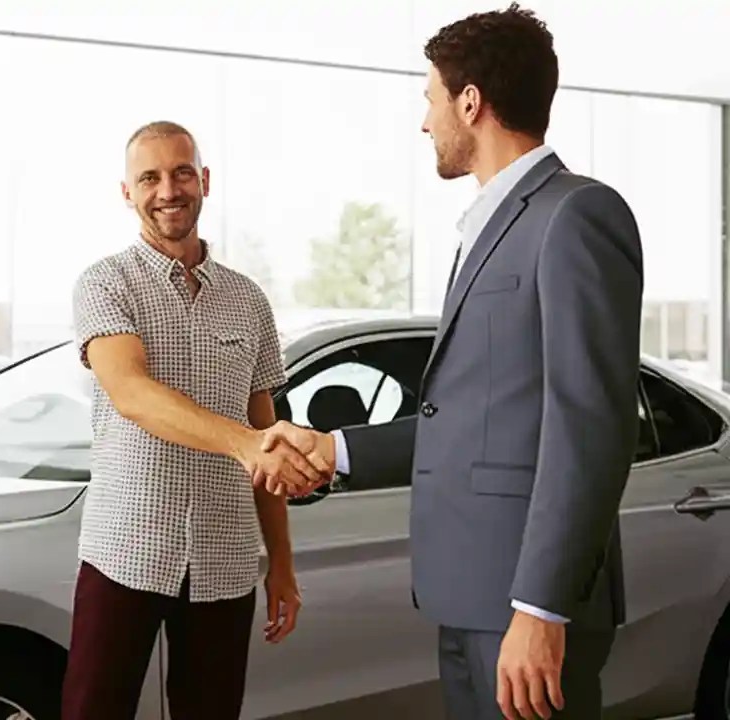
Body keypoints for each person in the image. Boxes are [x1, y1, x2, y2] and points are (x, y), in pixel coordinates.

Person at [260, 5, 643, 720]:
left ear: (472, 102)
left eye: (431, 99)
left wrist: (541, 606)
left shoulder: (576, 216)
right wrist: (334, 448)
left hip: (523, 606)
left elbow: (590, 428)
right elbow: (467, 419)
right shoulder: (491, 227)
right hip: (468, 597)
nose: (426, 121)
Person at [60, 120, 326, 720]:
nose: (168, 190)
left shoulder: (249, 299)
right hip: (124, 548)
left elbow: (269, 436)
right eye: (148, 177)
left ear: (204, 180)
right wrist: (249, 446)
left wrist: (281, 562)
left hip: (225, 557)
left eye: (181, 172)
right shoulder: (105, 283)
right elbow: (131, 392)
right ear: (127, 193)